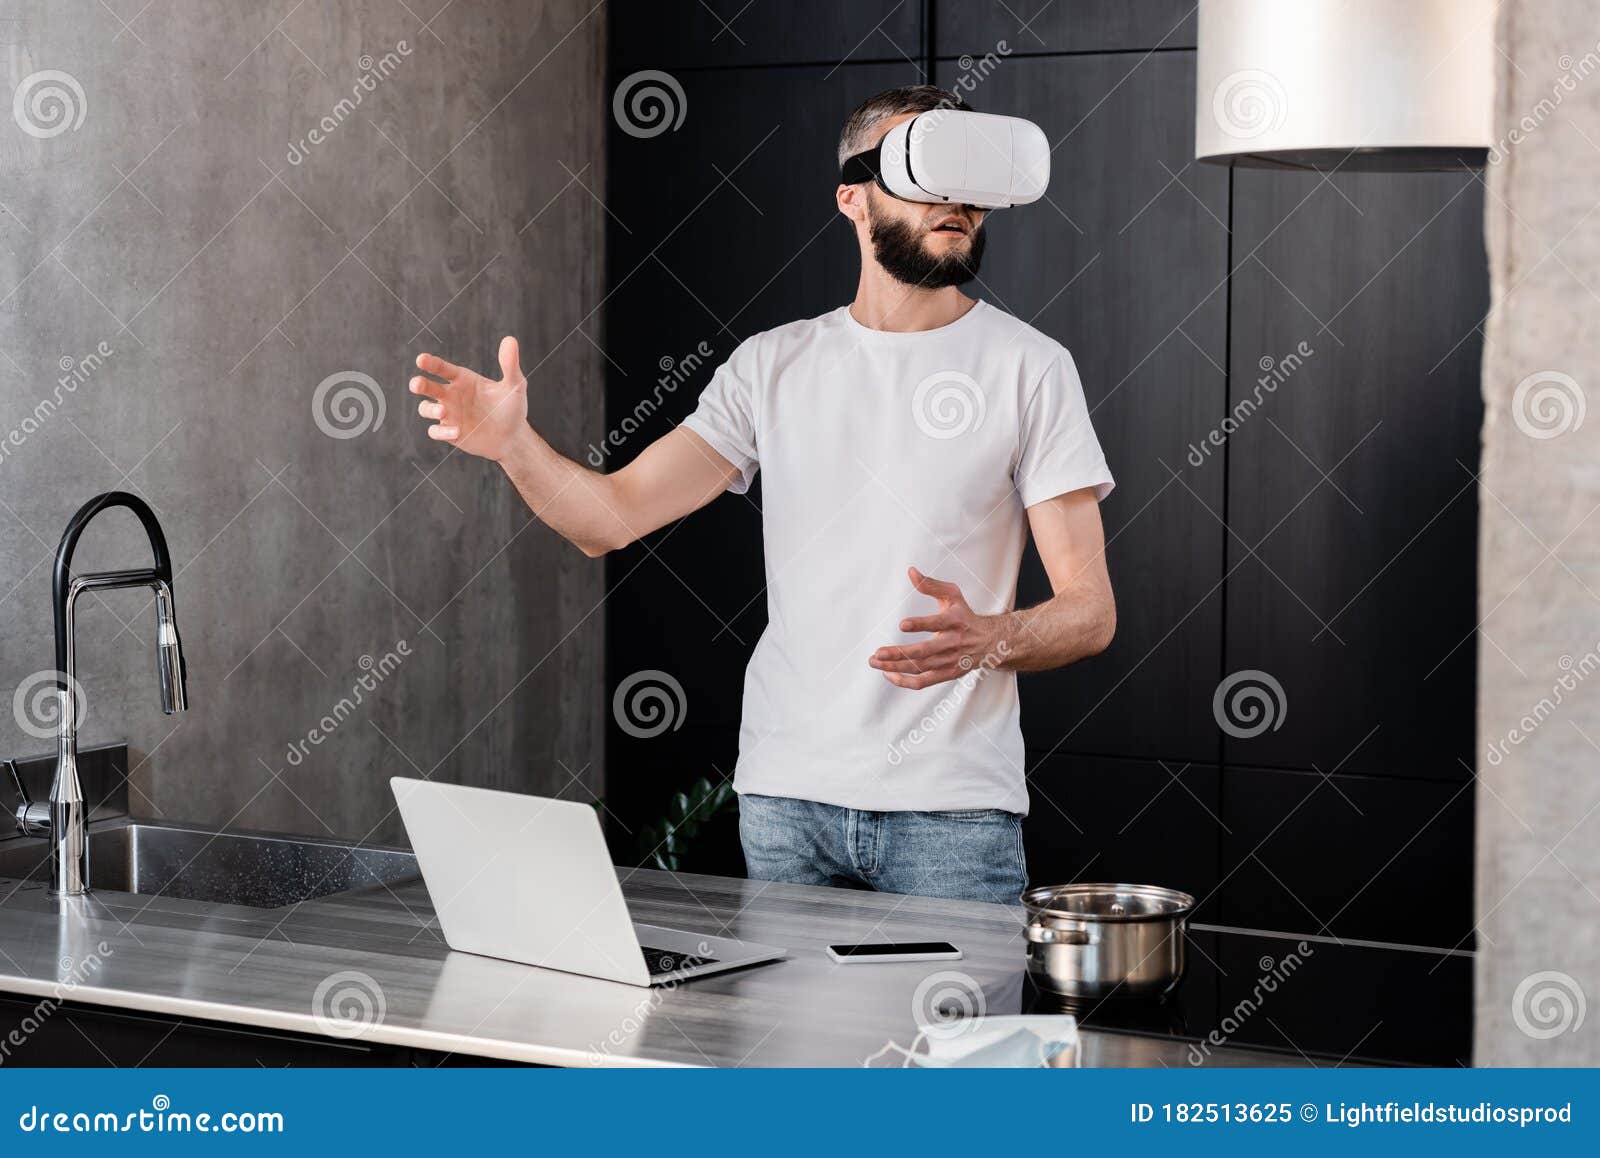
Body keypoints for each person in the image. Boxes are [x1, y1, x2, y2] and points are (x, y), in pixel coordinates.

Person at [409, 85, 1116, 904]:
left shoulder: (1031, 368)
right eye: (923, 171)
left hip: (949, 815)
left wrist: (990, 637)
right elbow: (608, 520)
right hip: (786, 803)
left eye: (968, 179)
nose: (952, 200)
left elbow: (1090, 611)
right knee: (790, 1037)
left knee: (952, 1039)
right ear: (852, 195)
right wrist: (513, 447)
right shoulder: (771, 366)